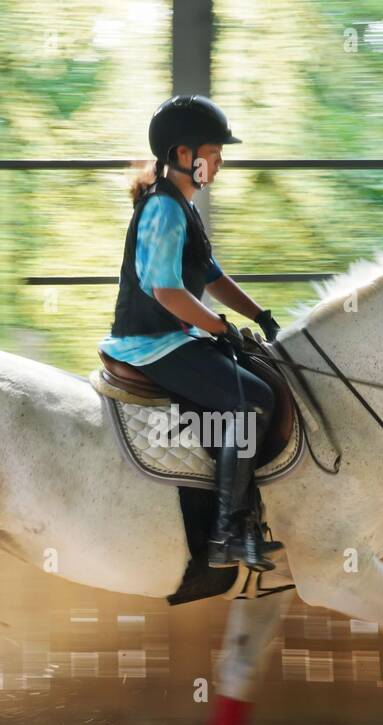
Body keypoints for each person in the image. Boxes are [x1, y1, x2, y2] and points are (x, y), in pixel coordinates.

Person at [99, 94, 282, 572]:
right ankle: (226, 532)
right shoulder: (164, 210)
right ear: (184, 156)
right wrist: (221, 328)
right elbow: (167, 292)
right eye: (214, 153)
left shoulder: (184, 207)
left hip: (176, 338)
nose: (219, 164)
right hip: (150, 344)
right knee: (252, 399)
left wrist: (260, 316)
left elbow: (214, 277)